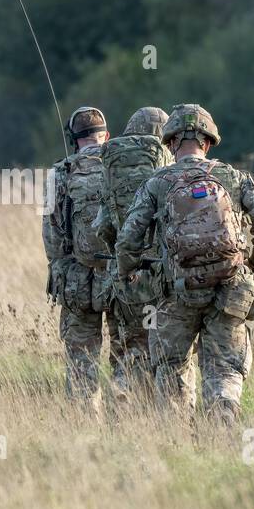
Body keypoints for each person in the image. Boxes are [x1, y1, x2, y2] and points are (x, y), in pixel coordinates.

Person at [115, 104, 254, 423]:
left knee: (172, 370)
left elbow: (128, 239)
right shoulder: (232, 177)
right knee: (225, 373)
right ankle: (223, 414)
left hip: (177, 292)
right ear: (207, 142)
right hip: (230, 288)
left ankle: (180, 443)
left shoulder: (157, 182)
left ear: (172, 143)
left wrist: (131, 274)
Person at [93, 106, 173, 400]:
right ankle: (160, 411)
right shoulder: (166, 163)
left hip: (125, 271)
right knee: (165, 349)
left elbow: (102, 226)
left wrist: (121, 254)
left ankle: (123, 390)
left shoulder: (112, 163)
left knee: (128, 345)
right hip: (160, 274)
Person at [43, 107, 117, 417]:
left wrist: (62, 267)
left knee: (81, 360)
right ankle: (129, 419)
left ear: (74, 141)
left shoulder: (58, 172)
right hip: (118, 278)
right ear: (106, 136)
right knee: (126, 353)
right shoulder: (120, 167)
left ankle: (86, 424)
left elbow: (52, 236)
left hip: (75, 280)